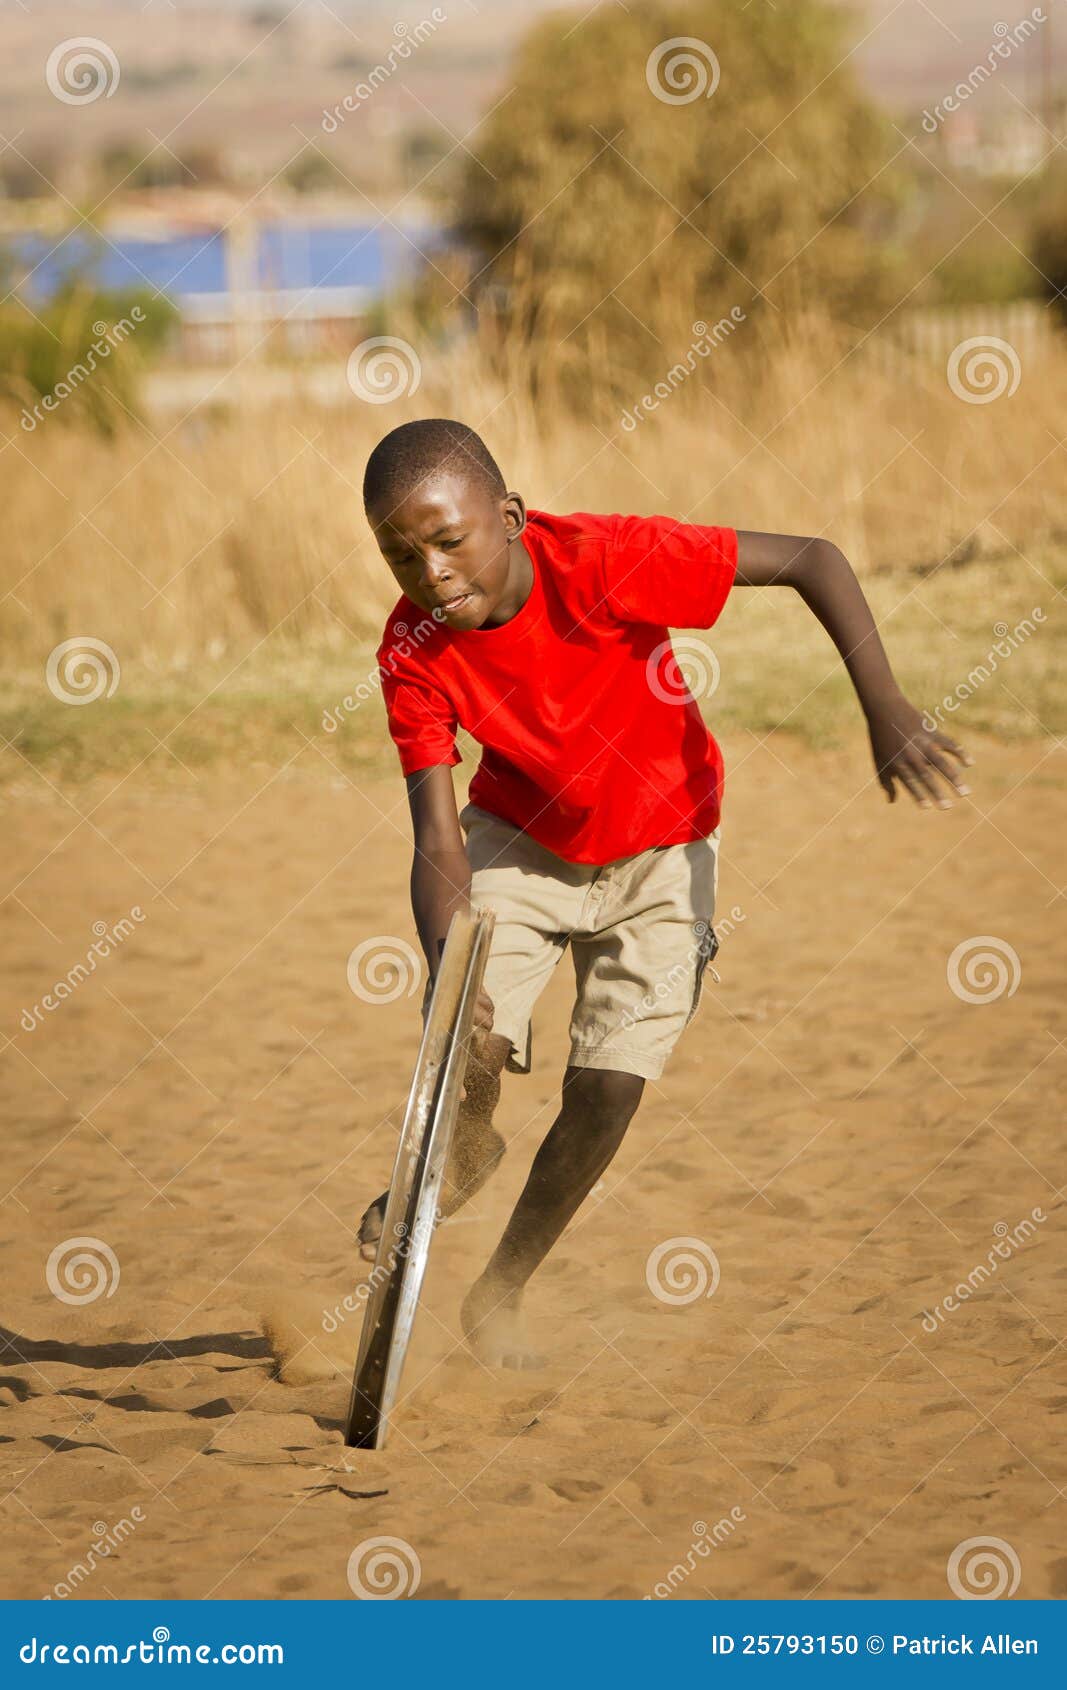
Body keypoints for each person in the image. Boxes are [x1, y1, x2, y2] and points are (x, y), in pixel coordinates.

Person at [357, 417, 972, 1368]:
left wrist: (882, 705)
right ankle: (467, 1134)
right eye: (402, 556)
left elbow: (813, 558)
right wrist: (449, 966)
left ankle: (503, 1288)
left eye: (448, 540)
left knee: (607, 1087)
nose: (430, 572)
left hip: (665, 848)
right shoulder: (412, 650)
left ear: (510, 517)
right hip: (520, 844)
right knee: (468, 1028)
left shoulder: (607, 560)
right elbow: (436, 840)